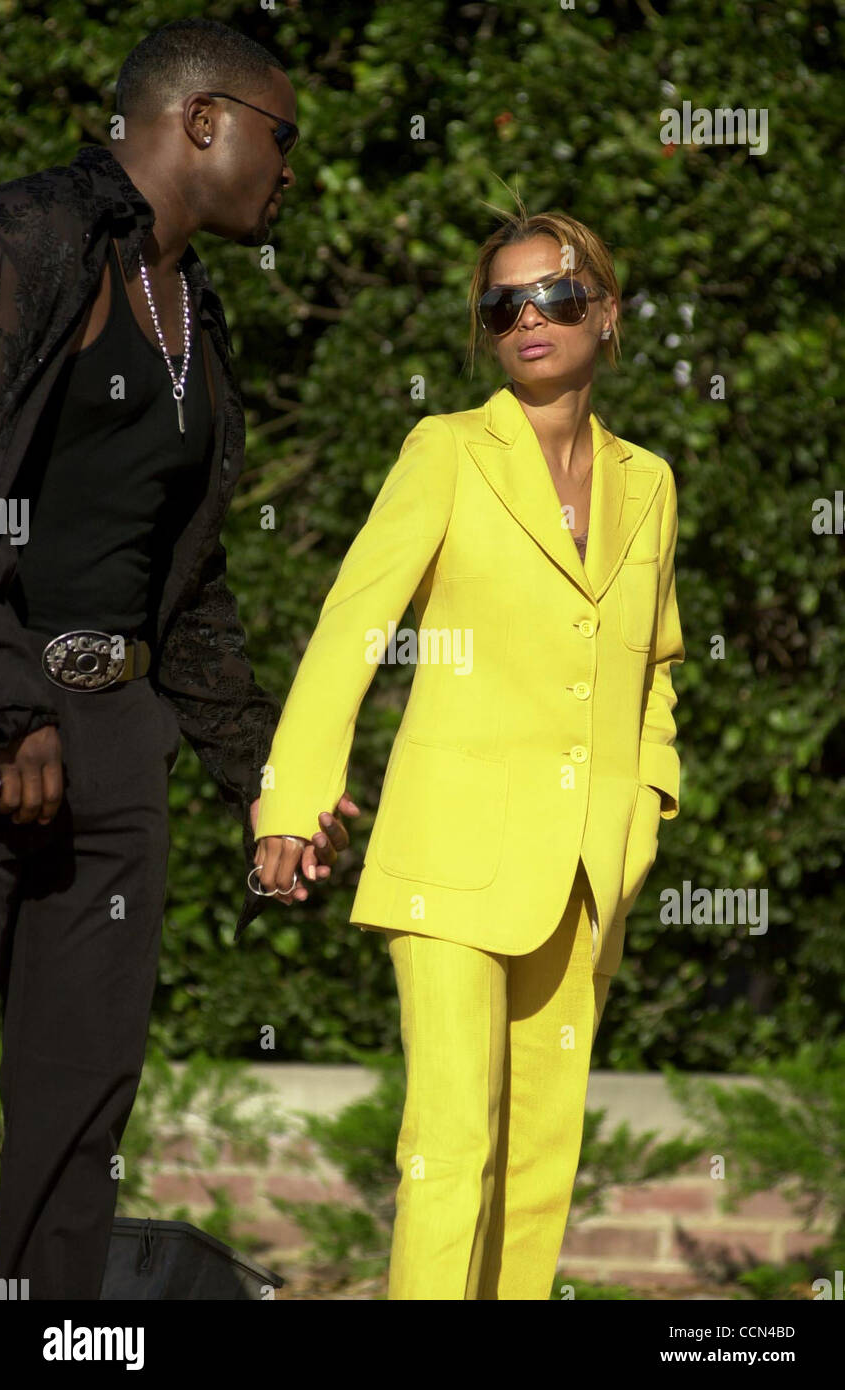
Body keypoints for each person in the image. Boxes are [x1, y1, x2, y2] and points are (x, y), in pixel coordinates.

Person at [249, 208, 685, 1299]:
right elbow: (352, 625)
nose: (529, 317)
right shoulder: (445, 450)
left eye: (557, 295)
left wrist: (648, 804)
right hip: (446, 865)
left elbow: (656, 669)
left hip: (587, 873)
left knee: (541, 1171)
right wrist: (291, 804)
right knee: (451, 1151)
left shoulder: (654, 482)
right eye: (504, 303)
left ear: (608, 313)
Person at [0, 19, 357, 1300]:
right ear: (202, 120)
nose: (292, 166)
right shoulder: (30, 238)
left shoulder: (193, 315)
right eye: (283, 134)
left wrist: (262, 771)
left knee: (77, 1108)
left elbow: (190, 588)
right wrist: (6, 706)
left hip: (113, 739)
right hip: (4, 712)